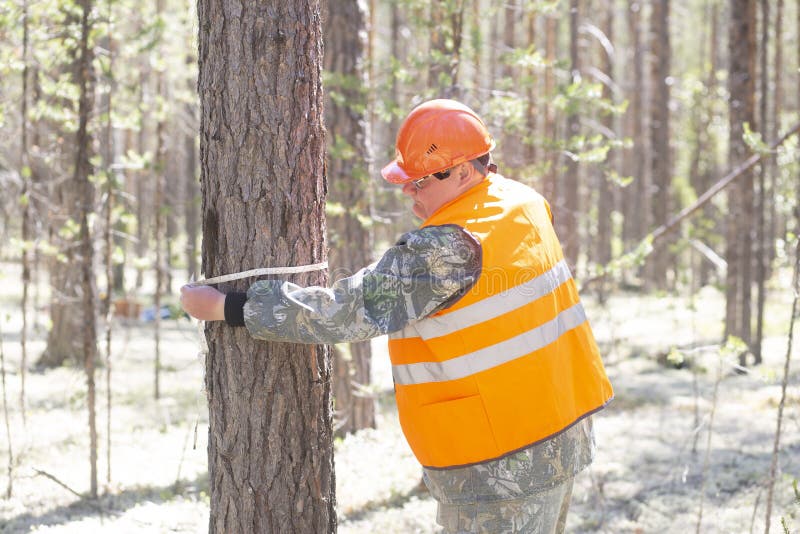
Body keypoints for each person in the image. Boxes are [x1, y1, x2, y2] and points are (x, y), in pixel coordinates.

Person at [180, 99, 614, 534]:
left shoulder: (448, 246)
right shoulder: (522, 201)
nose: (409, 191)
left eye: (420, 181)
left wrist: (226, 307)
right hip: (560, 434)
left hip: (499, 463)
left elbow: (344, 312)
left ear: (464, 171)